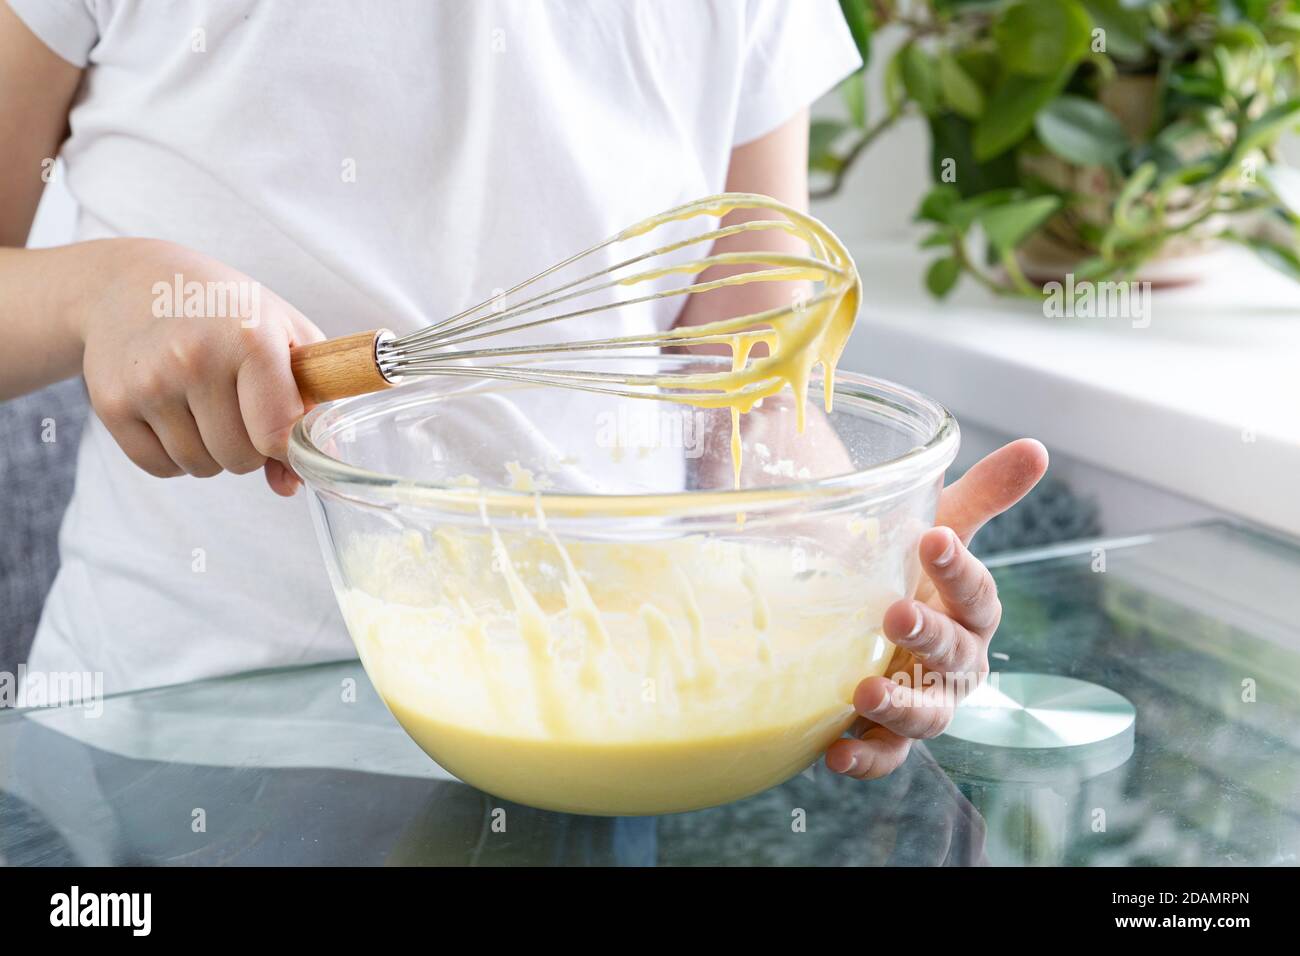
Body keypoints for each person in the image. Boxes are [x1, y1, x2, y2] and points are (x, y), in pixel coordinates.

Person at [0, 0, 1047, 781]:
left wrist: (864, 586)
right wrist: (106, 292)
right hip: (166, 746)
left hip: (604, 745)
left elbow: (752, 404)